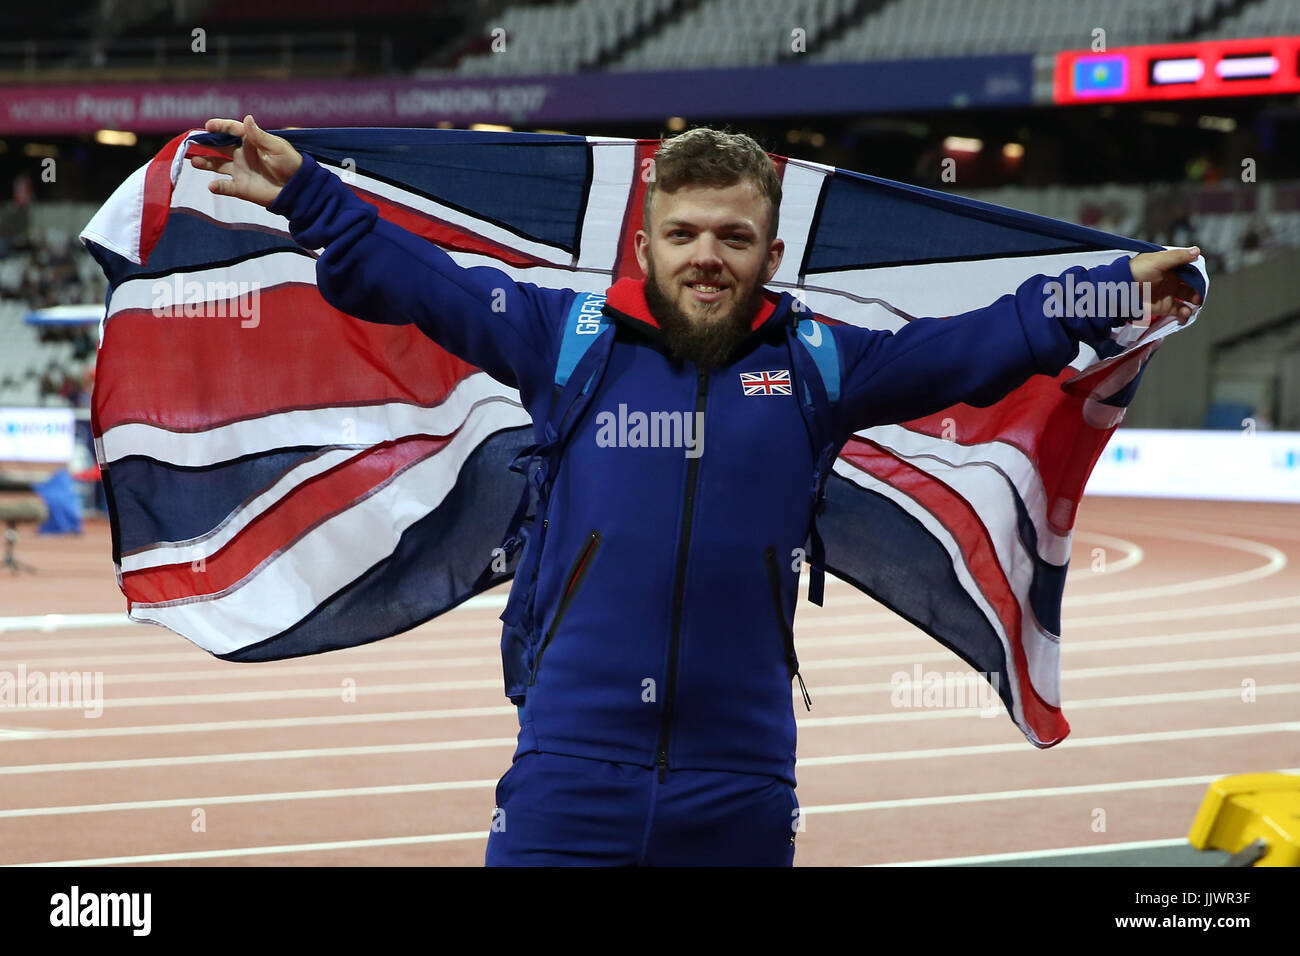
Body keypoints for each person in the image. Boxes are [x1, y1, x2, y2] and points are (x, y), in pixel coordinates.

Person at [192, 115, 1202, 867]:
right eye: (682, 234)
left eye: (730, 236)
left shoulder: (820, 364)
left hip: (743, 778)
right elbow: (419, 277)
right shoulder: (565, 339)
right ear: (645, 248)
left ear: (769, 252)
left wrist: (1111, 289)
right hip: (567, 772)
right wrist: (306, 194)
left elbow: (980, 340)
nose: (705, 256)